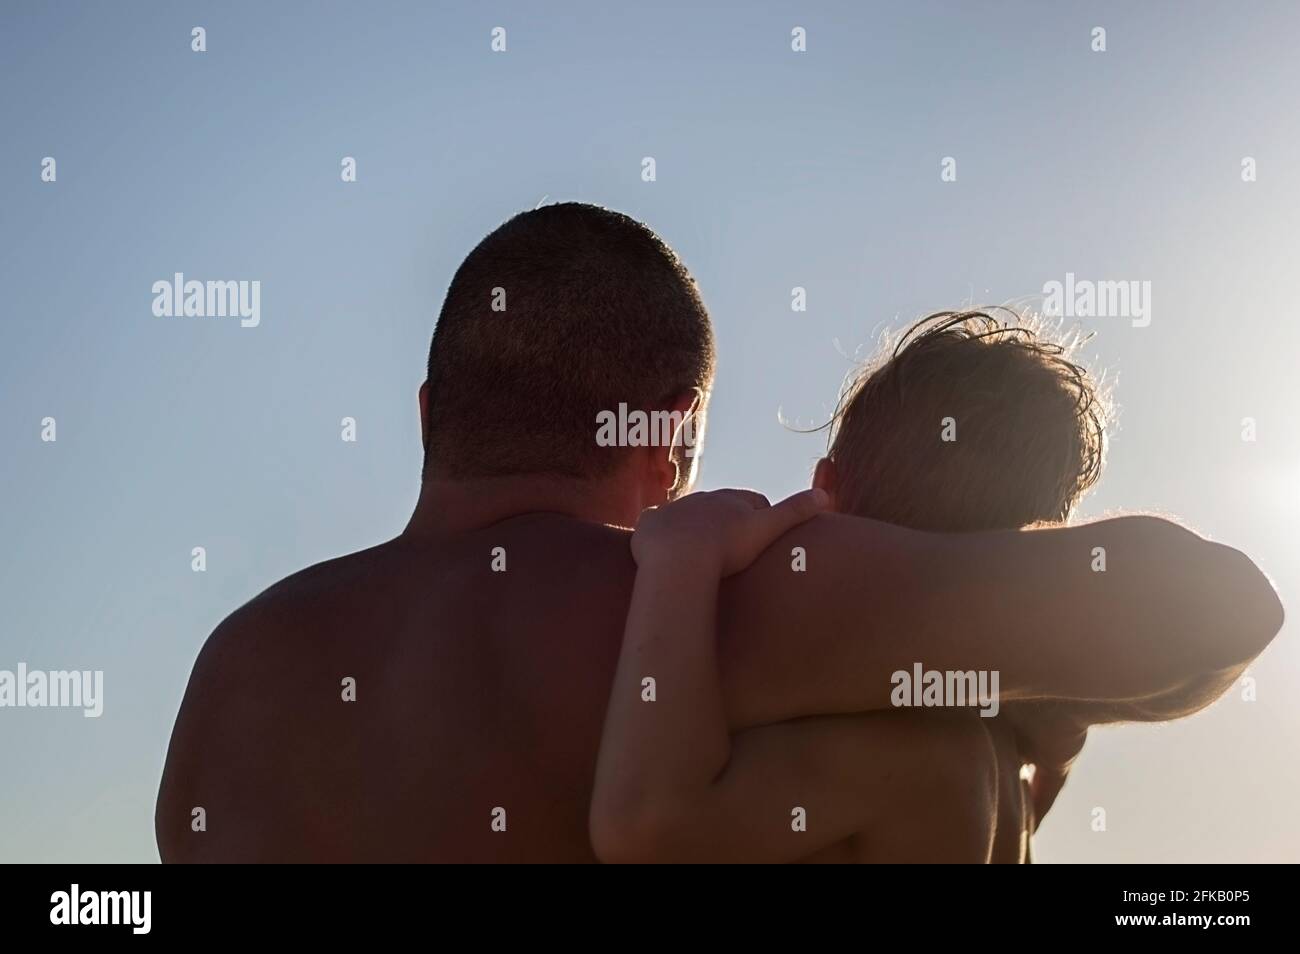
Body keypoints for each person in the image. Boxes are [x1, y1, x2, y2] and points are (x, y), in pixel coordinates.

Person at [156, 204, 1283, 862]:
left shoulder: (234, 675)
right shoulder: (715, 601)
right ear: (673, 436)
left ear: (426, 414)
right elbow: (1221, 609)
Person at [592, 310, 1110, 862]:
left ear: (823, 489)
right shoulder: (1001, 762)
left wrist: (683, 557)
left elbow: (653, 829)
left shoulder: (914, 751)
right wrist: (1059, 744)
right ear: (1042, 545)